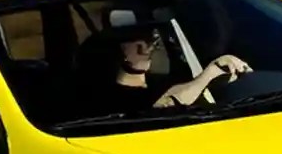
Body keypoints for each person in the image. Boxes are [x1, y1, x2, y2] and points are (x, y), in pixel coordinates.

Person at [86, 22, 251, 116]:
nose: (147, 48)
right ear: (114, 53)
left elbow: (177, 91)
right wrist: (209, 74)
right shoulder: (112, 97)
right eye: (136, 44)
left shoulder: (163, 80)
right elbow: (164, 107)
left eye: (151, 41)